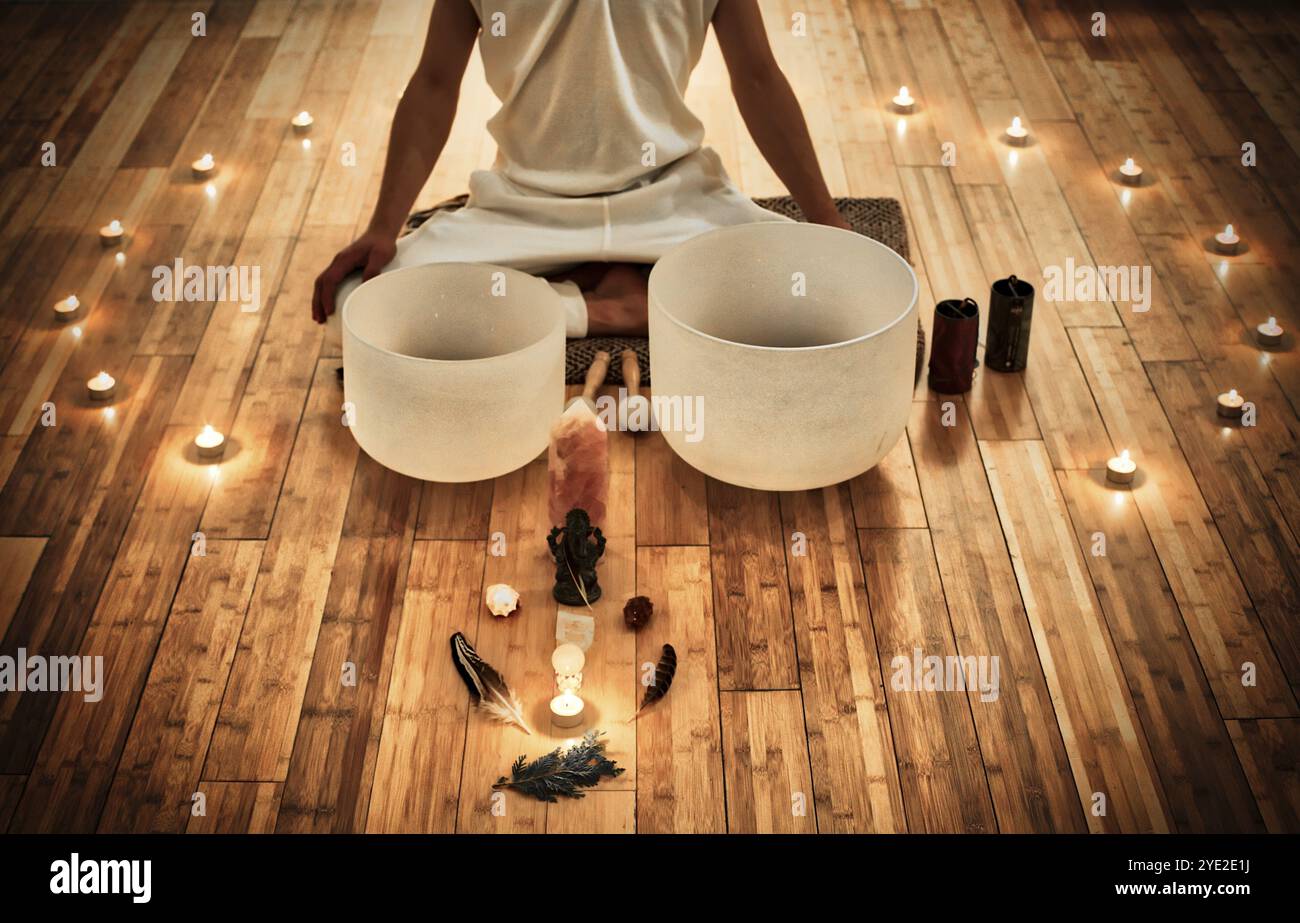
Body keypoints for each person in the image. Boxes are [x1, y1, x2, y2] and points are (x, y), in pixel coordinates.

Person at [312, 0, 850, 337]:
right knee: (356, 309)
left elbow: (758, 78)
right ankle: (612, 304)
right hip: (527, 208)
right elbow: (433, 83)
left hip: (672, 198)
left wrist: (825, 218)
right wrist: (383, 228)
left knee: (828, 296)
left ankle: (587, 285)